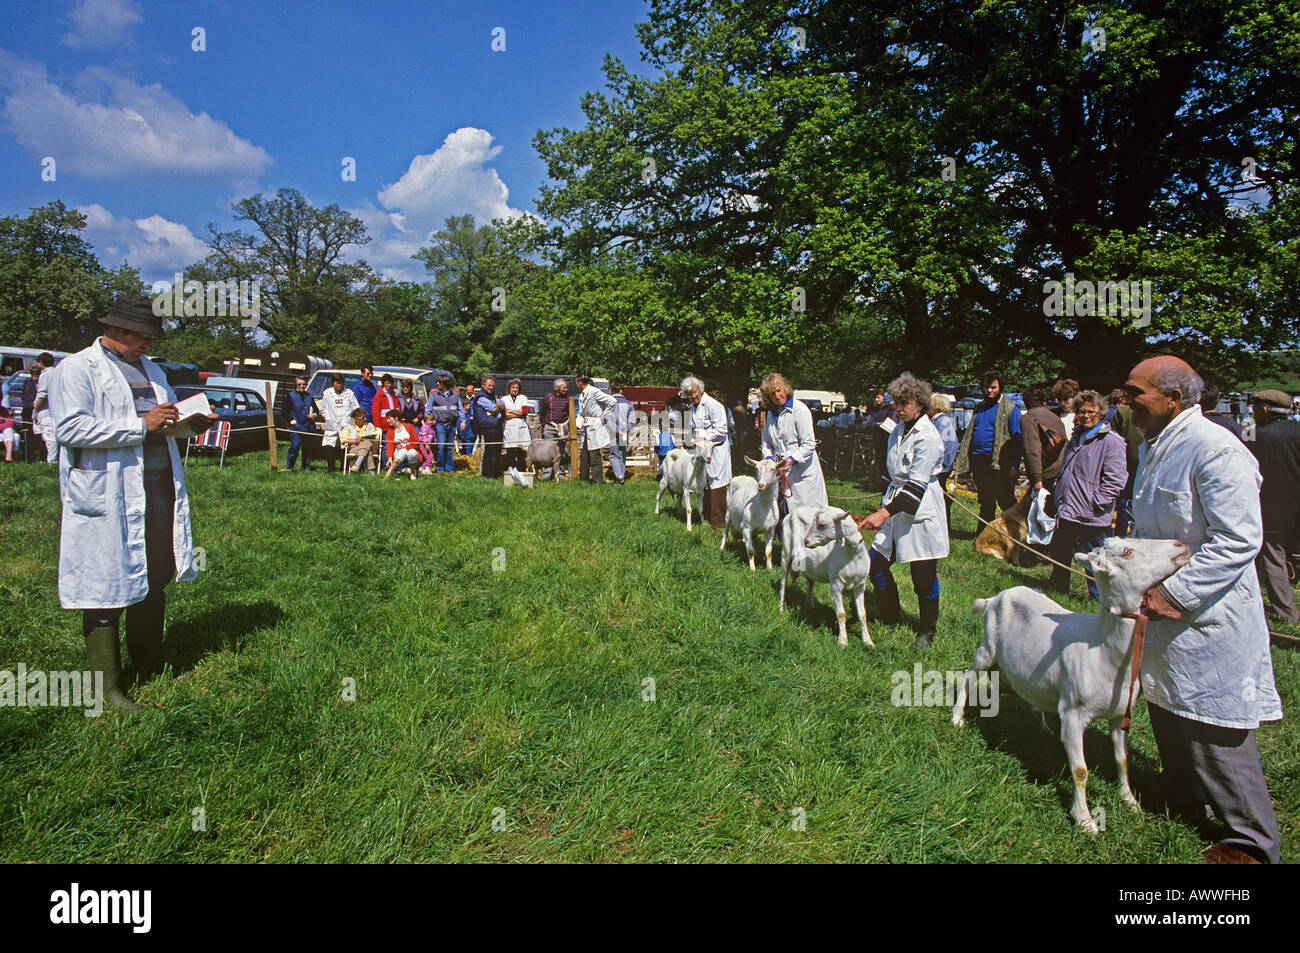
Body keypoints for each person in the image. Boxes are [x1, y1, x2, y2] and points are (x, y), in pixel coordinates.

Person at [1125, 355, 1282, 864]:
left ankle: (1251, 843)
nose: (1125, 401)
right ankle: (1184, 797)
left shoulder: (1216, 449)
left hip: (1208, 613)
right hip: (1160, 609)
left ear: (1174, 398)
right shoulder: (1156, 445)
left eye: (1136, 392)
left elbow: (1239, 540)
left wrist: (1176, 593)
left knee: (1215, 724)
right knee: (1168, 706)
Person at [47, 295, 213, 711]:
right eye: (143, 336)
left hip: (157, 488)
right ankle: (109, 690)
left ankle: (149, 664)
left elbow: (163, 422)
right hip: (108, 492)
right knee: (105, 584)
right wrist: (140, 424)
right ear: (115, 330)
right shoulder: (75, 369)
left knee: (154, 574)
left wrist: (188, 425)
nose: (148, 345)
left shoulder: (151, 369)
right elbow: (69, 428)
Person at [855, 373, 949, 648]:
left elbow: (915, 490)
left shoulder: (928, 437)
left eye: (904, 403)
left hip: (920, 509)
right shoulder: (900, 428)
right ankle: (890, 618)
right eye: (896, 402)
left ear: (919, 404)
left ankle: (927, 631)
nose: (898, 408)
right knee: (876, 564)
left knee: (923, 574)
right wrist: (885, 507)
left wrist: (883, 513)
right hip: (897, 500)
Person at [1045, 391, 1127, 600]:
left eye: (1091, 411)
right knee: (1061, 555)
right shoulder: (1077, 437)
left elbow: (1116, 480)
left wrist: (1096, 503)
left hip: (1091, 516)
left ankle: (1098, 601)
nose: (1086, 415)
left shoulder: (1111, 442)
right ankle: (1058, 593)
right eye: (1081, 411)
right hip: (1068, 510)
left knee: (1096, 562)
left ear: (1101, 413)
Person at [1248, 388, 1300, 624]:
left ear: (1264, 410)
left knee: (1273, 559)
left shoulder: (1252, 433)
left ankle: (1287, 614)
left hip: (1271, 505)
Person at [760, 373, 827, 531]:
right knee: (785, 515)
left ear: (785, 388)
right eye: (772, 394)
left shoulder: (800, 410)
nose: (777, 396)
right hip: (780, 471)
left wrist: (790, 460)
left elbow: (809, 444)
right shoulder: (771, 414)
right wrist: (770, 459)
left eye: (779, 390)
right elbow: (766, 442)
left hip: (802, 471)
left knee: (808, 515)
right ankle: (788, 548)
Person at [955, 369, 1023, 526]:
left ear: (1000, 388)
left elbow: (1017, 441)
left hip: (999, 463)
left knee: (1005, 500)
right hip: (979, 461)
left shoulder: (1011, 409)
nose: (990, 391)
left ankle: (1017, 534)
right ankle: (983, 534)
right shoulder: (979, 408)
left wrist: (1014, 466)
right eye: (987, 387)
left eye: (993, 387)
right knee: (986, 499)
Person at [680, 377, 731, 524]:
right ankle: (708, 517)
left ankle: (719, 522)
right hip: (702, 450)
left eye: (694, 392)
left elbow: (722, 429)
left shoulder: (713, 405)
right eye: (689, 394)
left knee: (717, 484)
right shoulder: (694, 407)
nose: (693, 396)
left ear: (700, 390)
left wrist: (704, 437)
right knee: (705, 482)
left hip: (716, 449)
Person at [1107, 388, 1146, 538]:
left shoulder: (1122, 411)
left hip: (1128, 461)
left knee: (1125, 501)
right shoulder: (1151, 412)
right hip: (1144, 462)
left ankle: (1121, 535)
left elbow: (1117, 437)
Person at [1020, 386, 1066, 496]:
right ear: (1044, 402)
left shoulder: (1028, 418)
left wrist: (1036, 479)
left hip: (1047, 474)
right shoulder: (1054, 416)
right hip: (1063, 469)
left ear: (1025, 403)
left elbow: (1032, 450)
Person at [575, 374, 618, 484]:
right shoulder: (581, 395)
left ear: (580, 382)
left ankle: (597, 481)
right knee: (584, 454)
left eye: (576, 382)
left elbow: (612, 401)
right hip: (586, 426)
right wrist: (577, 424)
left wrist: (604, 414)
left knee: (594, 455)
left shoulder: (594, 391)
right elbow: (581, 413)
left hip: (595, 425)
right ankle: (583, 480)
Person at [317, 373, 359, 473]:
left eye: (341, 383)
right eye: (337, 383)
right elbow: (322, 409)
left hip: (346, 424)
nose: (339, 385)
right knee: (329, 445)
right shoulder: (327, 393)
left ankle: (343, 467)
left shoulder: (349, 393)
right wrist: (328, 418)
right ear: (333, 383)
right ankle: (330, 468)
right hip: (331, 424)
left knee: (345, 446)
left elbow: (356, 408)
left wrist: (350, 422)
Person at [928, 393, 959, 527]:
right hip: (943, 465)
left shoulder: (941, 422)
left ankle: (942, 525)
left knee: (939, 498)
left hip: (941, 467)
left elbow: (942, 445)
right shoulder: (943, 420)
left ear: (937, 406)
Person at [280, 376, 321, 471]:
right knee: (294, 447)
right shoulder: (290, 396)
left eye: (304, 384)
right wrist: (291, 421)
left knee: (307, 448)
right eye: (299, 384)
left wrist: (314, 415)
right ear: (296, 385)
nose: (302, 386)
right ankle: (290, 467)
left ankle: (306, 467)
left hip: (308, 427)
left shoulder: (309, 397)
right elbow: (284, 412)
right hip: (296, 427)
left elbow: (316, 410)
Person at [424, 373, 460, 473]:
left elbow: (460, 409)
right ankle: (440, 469)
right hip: (440, 425)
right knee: (440, 447)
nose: (437, 383)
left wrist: (463, 422)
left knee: (449, 447)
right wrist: (431, 420)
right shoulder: (434, 395)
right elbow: (428, 410)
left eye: (439, 381)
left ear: (445, 383)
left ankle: (449, 469)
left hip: (451, 425)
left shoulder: (455, 395)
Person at [472, 376, 505, 478]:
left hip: (495, 426)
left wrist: (498, 407)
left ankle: (494, 473)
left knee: (496, 451)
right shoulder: (481, 397)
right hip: (488, 427)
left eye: (493, 386)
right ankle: (488, 475)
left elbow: (501, 406)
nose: (491, 388)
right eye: (489, 385)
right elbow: (494, 409)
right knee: (490, 452)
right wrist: (498, 407)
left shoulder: (491, 396)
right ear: (483, 386)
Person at [537, 378, 571, 479]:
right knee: (548, 451)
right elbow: (542, 413)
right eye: (564, 387)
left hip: (563, 429)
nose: (566, 389)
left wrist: (565, 427)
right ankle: (547, 476)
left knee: (561, 452)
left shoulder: (568, 399)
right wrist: (545, 426)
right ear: (557, 388)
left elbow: (570, 413)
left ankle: (560, 475)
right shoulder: (548, 398)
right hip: (550, 428)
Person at [606, 384, 636, 483]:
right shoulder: (628, 403)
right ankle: (622, 475)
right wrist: (625, 430)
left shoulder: (608, 403)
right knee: (622, 453)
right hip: (624, 432)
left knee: (613, 454)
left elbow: (606, 419)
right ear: (621, 391)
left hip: (612, 432)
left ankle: (619, 476)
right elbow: (632, 421)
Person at [500, 378, 531, 473]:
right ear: (509, 388)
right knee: (511, 451)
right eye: (513, 387)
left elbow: (525, 412)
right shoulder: (504, 399)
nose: (515, 389)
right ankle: (511, 471)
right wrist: (518, 412)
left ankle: (522, 471)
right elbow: (505, 414)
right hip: (509, 428)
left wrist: (511, 411)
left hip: (521, 428)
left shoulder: (523, 398)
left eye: (516, 388)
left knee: (521, 451)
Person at [32, 351, 57, 464]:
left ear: (41, 362)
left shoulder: (45, 374)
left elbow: (42, 395)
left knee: (49, 437)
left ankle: (52, 462)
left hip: (46, 410)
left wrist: (35, 409)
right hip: (55, 410)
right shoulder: (57, 372)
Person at [371, 374, 400, 465]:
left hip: (394, 426)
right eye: (387, 383)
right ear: (383, 384)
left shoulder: (394, 396)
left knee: (395, 445)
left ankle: (395, 464)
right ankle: (386, 465)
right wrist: (378, 427)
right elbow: (376, 413)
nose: (389, 385)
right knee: (386, 446)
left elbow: (398, 410)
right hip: (384, 427)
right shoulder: (378, 396)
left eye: (390, 383)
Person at [339, 408, 379, 473]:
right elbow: (343, 439)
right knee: (367, 450)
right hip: (354, 448)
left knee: (367, 442)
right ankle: (372, 474)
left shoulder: (369, 425)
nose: (365, 419)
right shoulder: (349, 427)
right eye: (363, 417)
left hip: (371, 448)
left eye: (366, 417)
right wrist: (354, 441)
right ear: (356, 419)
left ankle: (357, 465)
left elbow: (375, 438)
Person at [383, 410, 421, 479]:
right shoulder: (390, 431)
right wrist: (389, 457)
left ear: (396, 418)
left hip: (411, 450)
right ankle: (389, 473)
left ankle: (412, 473)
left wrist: (405, 447)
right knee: (403, 452)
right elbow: (389, 446)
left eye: (389, 418)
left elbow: (416, 442)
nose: (387, 420)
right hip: (397, 453)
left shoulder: (409, 427)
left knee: (412, 453)